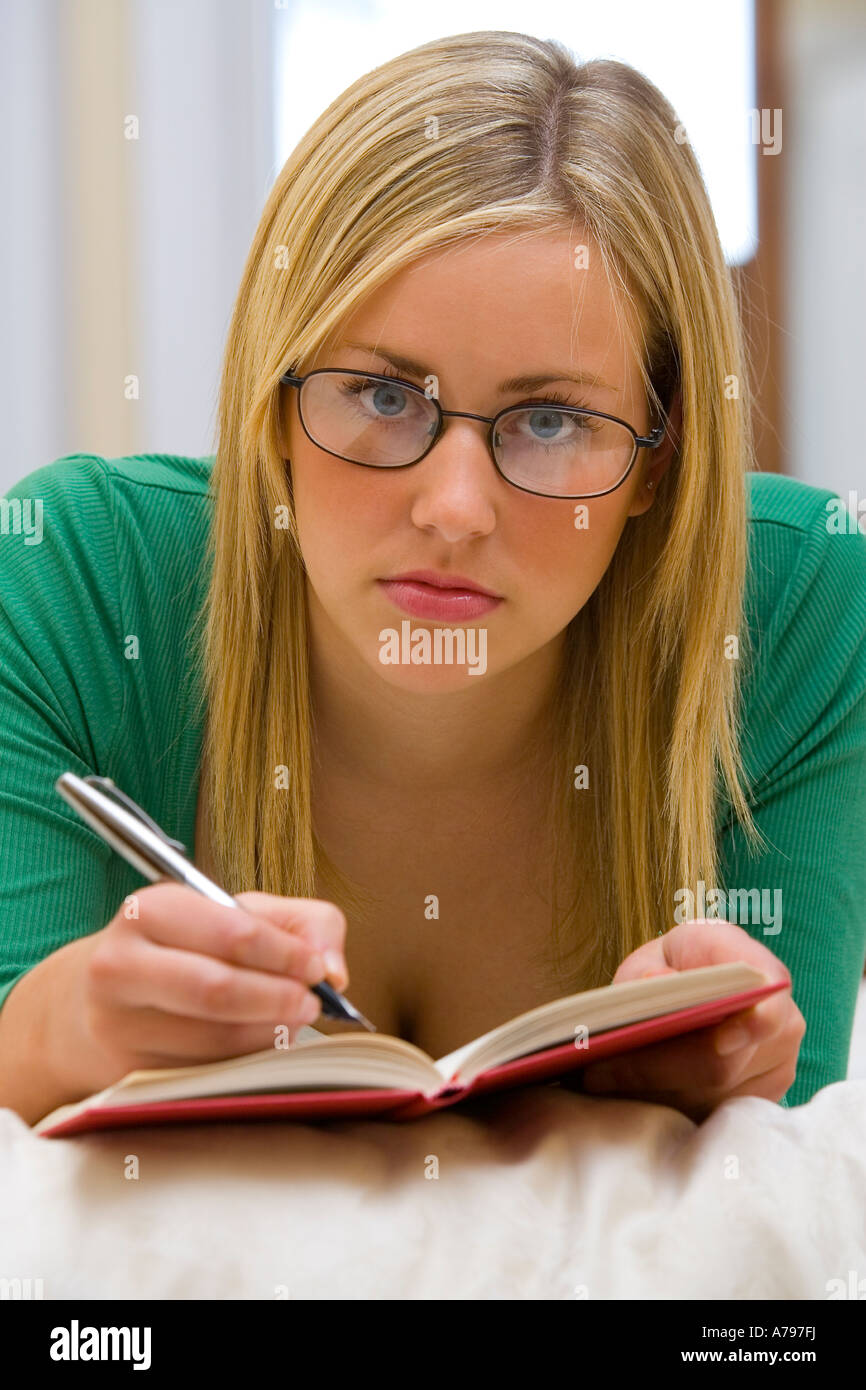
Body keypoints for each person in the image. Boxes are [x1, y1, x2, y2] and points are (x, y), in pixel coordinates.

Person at [1, 32, 864, 1129]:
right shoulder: (73, 575)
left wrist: (727, 1085)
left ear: (661, 455)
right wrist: (63, 1029)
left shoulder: (799, 606)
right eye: (382, 396)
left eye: (550, 420)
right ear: (272, 402)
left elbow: (785, 1135)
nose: (453, 508)